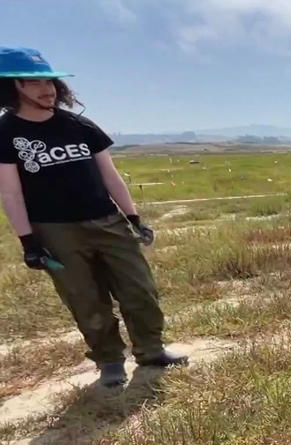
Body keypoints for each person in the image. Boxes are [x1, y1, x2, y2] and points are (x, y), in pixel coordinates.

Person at [0, 47, 187, 387]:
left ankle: (151, 349)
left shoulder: (79, 125)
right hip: (56, 231)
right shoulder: (5, 132)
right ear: (13, 88)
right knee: (85, 299)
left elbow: (110, 176)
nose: (47, 89)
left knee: (140, 289)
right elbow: (10, 193)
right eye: (34, 82)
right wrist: (28, 242)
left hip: (107, 220)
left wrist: (133, 217)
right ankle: (110, 361)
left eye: (50, 81)